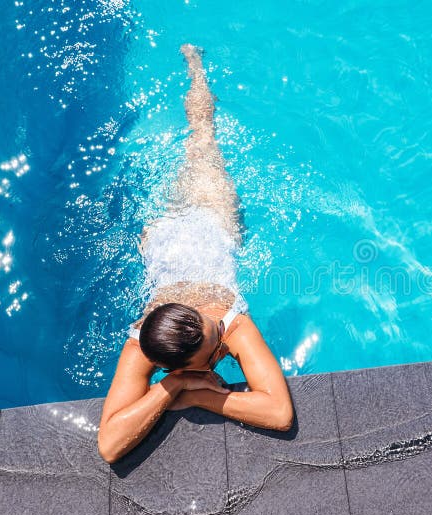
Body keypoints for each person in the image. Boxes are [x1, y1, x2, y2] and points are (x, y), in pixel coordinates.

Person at [97, 44, 293, 465]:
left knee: (202, 135)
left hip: (206, 217)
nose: (220, 335)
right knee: (196, 142)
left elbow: (280, 413)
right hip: (169, 237)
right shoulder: (142, 345)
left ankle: (195, 66)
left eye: (211, 329)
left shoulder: (226, 320)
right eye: (212, 344)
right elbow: (108, 445)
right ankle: (193, 68)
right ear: (171, 364)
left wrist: (201, 396)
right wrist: (171, 389)